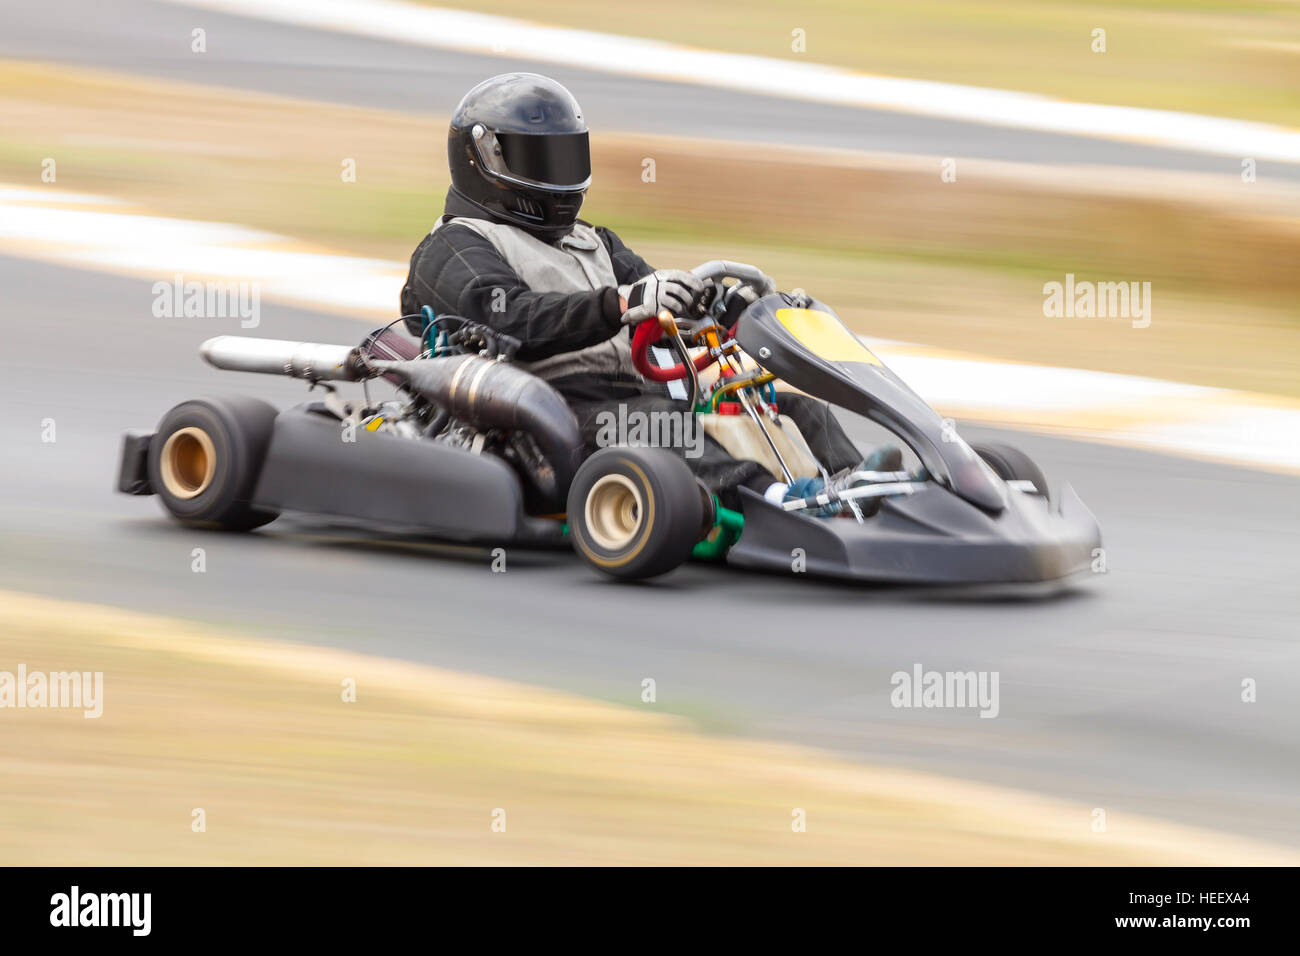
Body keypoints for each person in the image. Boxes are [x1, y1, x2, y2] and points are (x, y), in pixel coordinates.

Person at [400, 72, 892, 510]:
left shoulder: (591, 241)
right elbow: (513, 319)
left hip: (636, 393)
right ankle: (779, 502)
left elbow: (664, 296)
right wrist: (621, 303)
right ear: (483, 158)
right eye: (537, 159)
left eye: (563, 157)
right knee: (661, 422)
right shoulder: (454, 246)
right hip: (548, 414)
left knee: (787, 407)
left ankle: (863, 493)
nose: (556, 175)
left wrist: (723, 306)